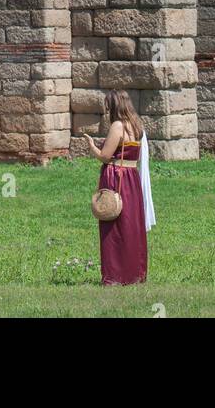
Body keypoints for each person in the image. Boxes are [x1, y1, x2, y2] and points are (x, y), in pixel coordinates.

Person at [85, 90, 156, 286]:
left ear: (115, 107)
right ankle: (134, 274)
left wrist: (92, 147)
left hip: (116, 177)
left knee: (113, 225)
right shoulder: (137, 124)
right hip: (131, 178)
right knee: (131, 225)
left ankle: (115, 276)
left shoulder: (118, 126)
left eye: (108, 107)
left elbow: (106, 156)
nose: (107, 111)